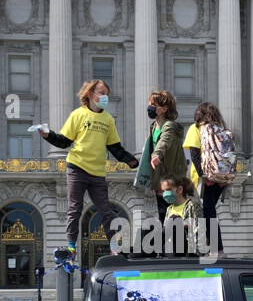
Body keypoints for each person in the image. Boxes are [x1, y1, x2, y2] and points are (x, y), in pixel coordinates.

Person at [39, 79, 139, 256]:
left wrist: (131, 161)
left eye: (107, 93)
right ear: (90, 94)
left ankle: (115, 247)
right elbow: (64, 141)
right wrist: (48, 135)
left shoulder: (108, 119)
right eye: (101, 92)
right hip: (77, 167)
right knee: (74, 209)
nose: (105, 96)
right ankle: (71, 245)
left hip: (98, 172)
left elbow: (114, 147)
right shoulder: (78, 115)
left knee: (106, 210)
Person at [135, 91, 187, 225]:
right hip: (159, 175)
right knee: (163, 212)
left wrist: (157, 154)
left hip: (170, 175)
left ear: (164, 109)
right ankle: (169, 242)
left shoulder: (169, 126)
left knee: (172, 212)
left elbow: (165, 141)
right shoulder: (153, 126)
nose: (150, 107)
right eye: (150, 104)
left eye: (154, 105)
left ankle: (178, 241)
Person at [184, 102, 228, 256]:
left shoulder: (195, 128)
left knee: (205, 213)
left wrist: (205, 176)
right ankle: (212, 248)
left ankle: (216, 249)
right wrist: (223, 178)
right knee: (209, 211)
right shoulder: (221, 130)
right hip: (222, 178)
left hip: (205, 179)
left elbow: (195, 155)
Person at [161, 176, 203, 256]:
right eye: (163, 191)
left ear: (179, 190)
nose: (165, 194)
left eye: (168, 190)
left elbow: (198, 229)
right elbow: (165, 232)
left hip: (186, 250)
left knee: (175, 219)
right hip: (169, 248)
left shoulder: (192, 205)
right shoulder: (169, 209)